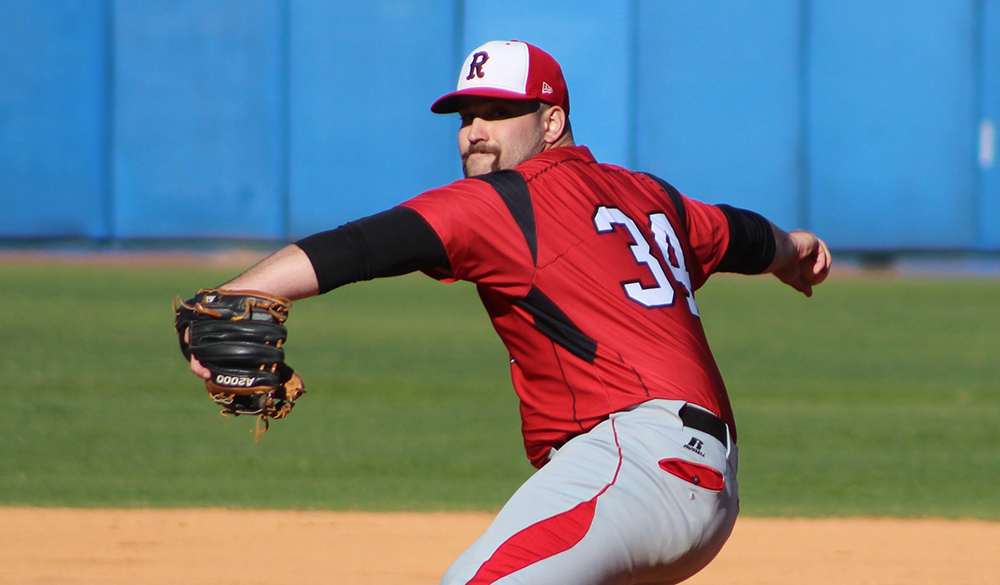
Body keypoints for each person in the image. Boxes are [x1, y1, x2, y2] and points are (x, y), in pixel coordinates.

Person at [182, 40, 831, 585]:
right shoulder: (647, 194)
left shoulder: (504, 200)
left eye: (499, 112)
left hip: (636, 462)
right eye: (466, 116)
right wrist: (790, 250)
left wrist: (238, 294)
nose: (475, 133)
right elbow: (739, 233)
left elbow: (366, 245)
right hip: (699, 480)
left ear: (551, 122)